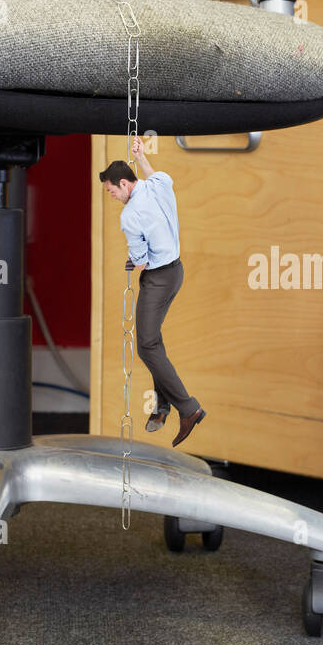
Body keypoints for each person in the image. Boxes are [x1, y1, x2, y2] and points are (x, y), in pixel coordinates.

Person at [98, 136, 207, 447]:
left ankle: (189, 408)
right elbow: (153, 174)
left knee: (146, 345)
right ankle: (161, 406)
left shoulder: (129, 216)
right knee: (154, 341)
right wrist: (141, 155)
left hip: (158, 278)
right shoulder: (158, 183)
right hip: (177, 271)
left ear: (123, 183)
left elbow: (142, 260)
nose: (112, 197)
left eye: (112, 190)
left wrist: (135, 260)